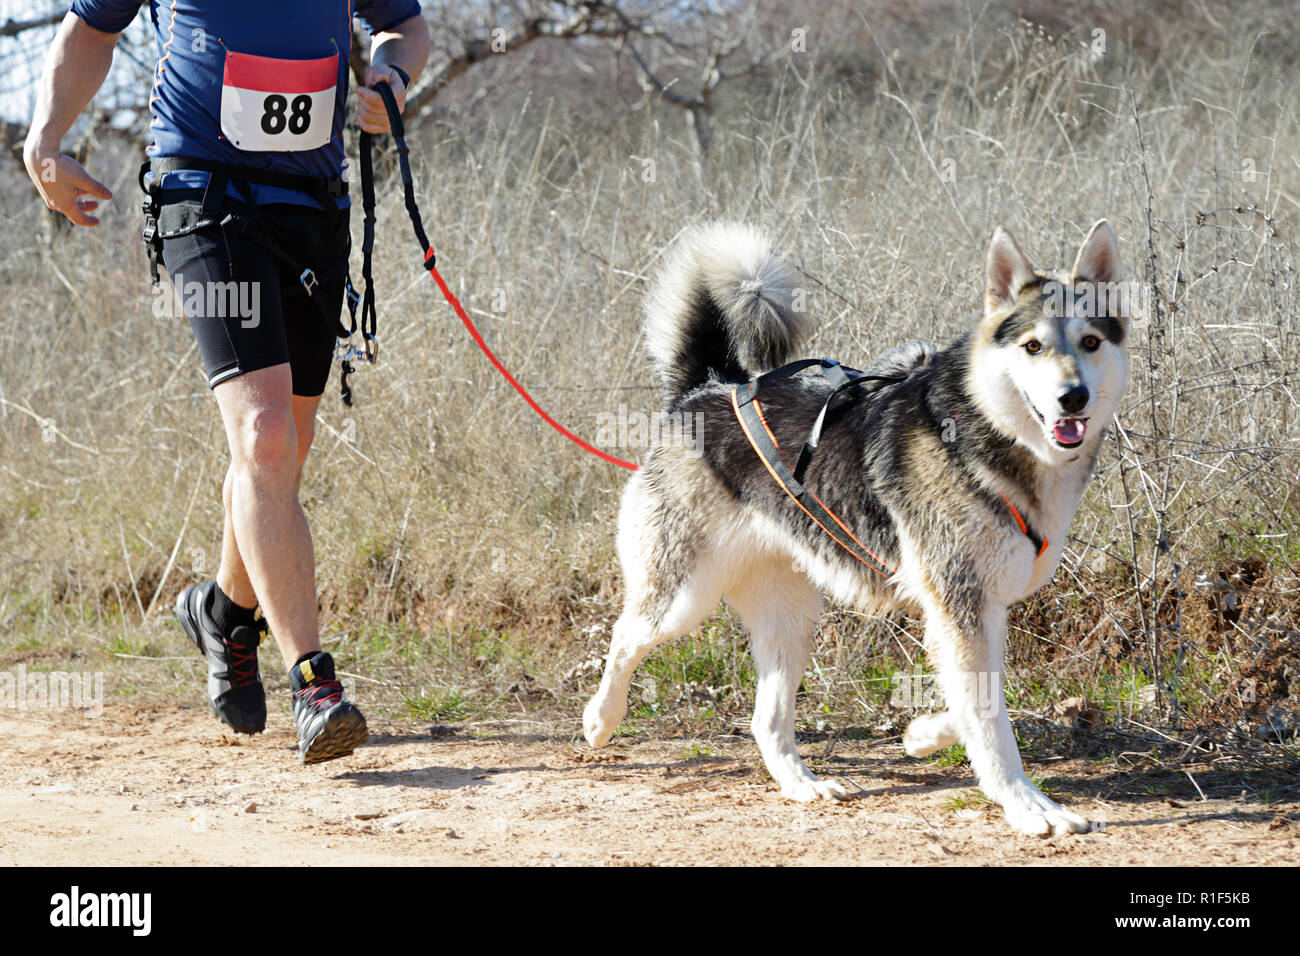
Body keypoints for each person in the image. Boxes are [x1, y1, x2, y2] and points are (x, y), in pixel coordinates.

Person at [24, 2, 430, 764]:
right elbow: (90, 30)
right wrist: (44, 142)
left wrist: (392, 74)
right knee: (263, 433)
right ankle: (315, 686)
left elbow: (406, 24)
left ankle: (222, 610)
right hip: (203, 194)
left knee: (287, 445)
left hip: (312, 204)